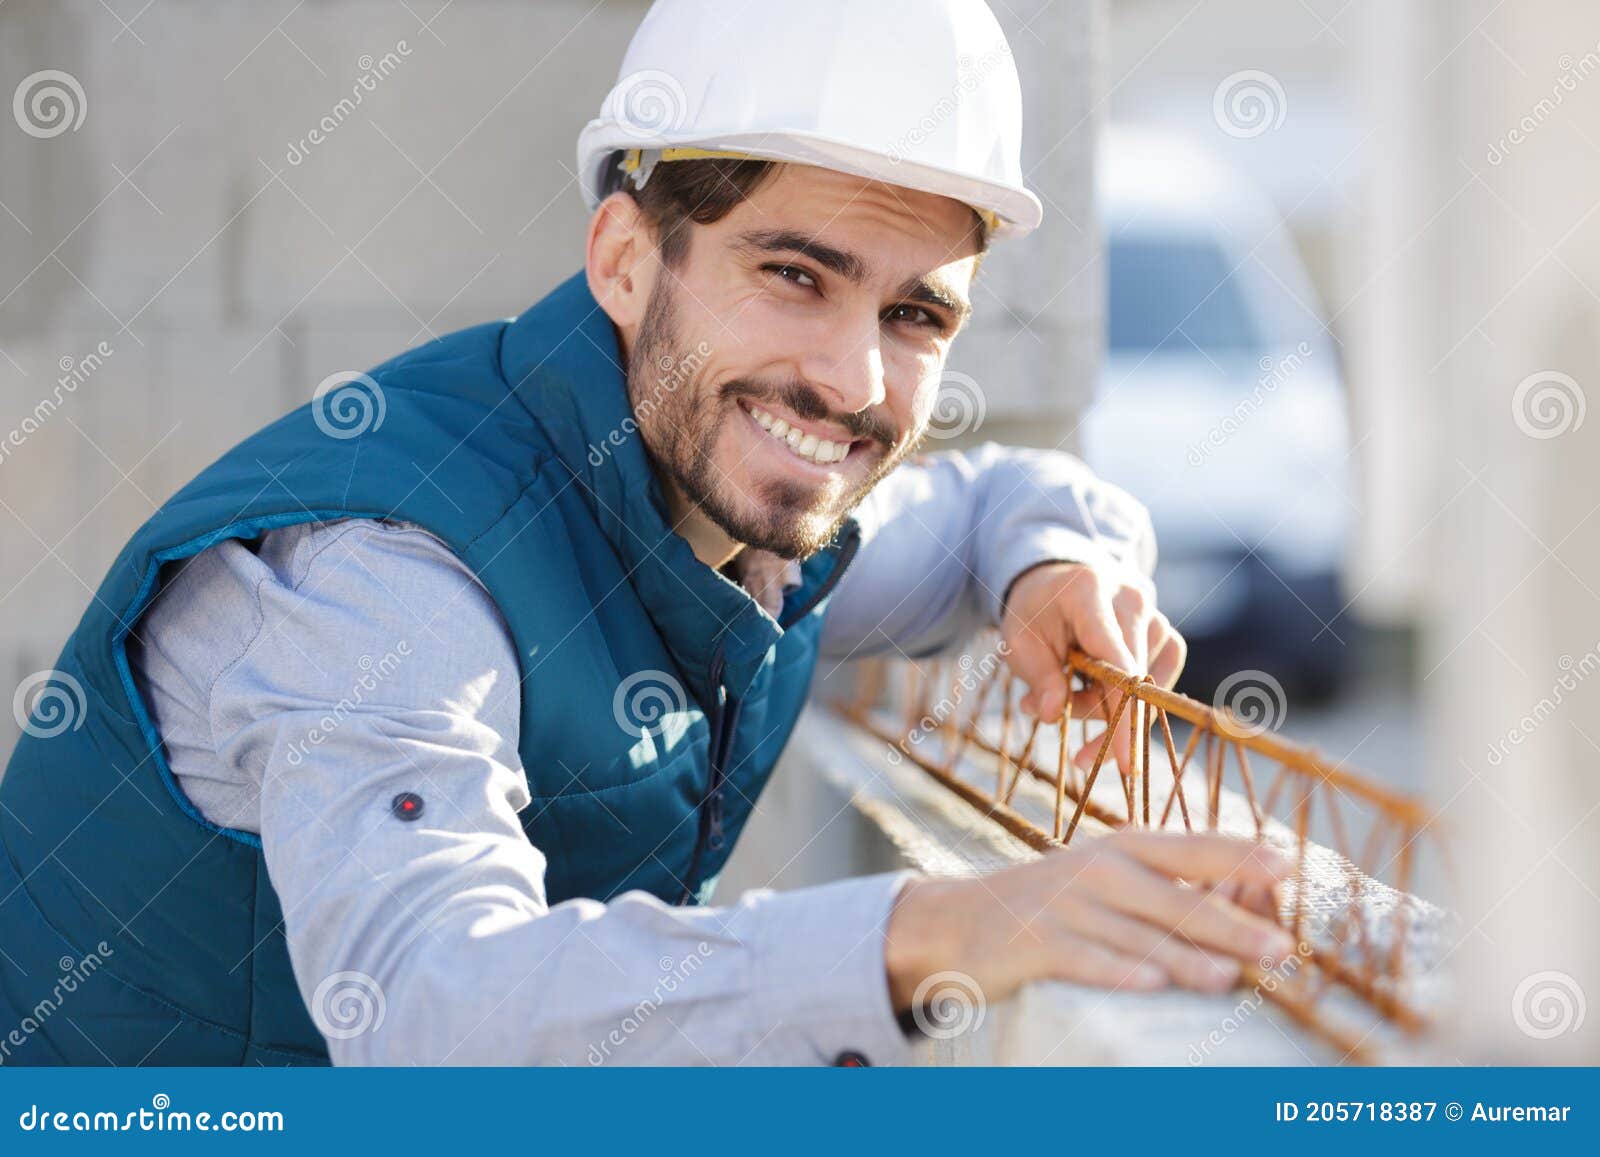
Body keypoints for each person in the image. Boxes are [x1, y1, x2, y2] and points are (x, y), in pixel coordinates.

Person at [0, 0, 1293, 1066]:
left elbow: (998, 497)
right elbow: (429, 1007)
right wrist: (941, 931)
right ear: (624, 260)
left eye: (915, 317)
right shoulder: (391, 580)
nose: (853, 381)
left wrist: (1058, 561)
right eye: (795, 276)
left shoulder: (748, 521)